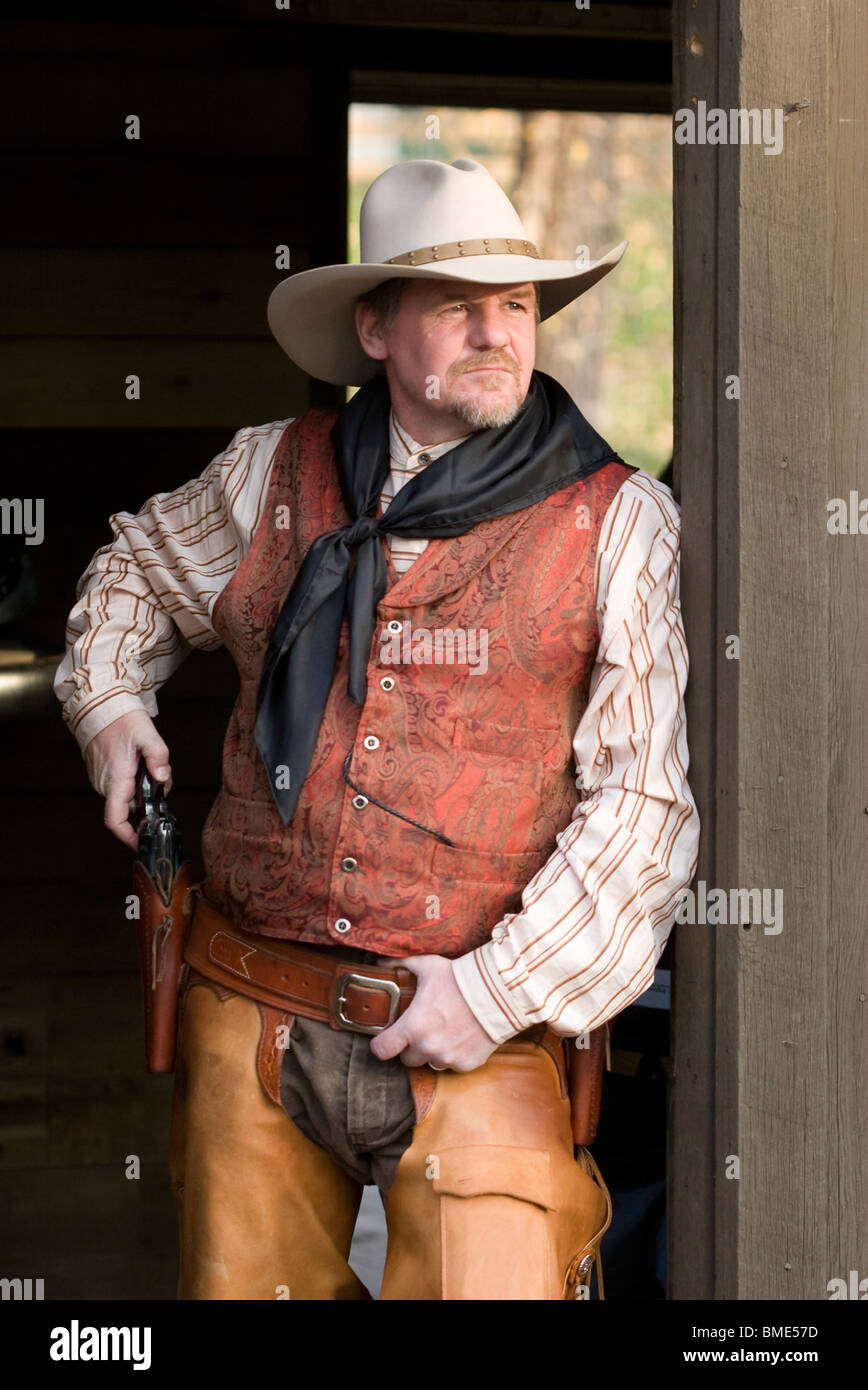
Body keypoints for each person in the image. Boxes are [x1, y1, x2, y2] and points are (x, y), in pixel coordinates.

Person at [54, 157, 700, 1301]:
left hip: (483, 1034)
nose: (497, 333)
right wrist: (108, 705)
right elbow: (133, 576)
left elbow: (641, 802)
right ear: (374, 328)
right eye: (455, 307)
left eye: (514, 307)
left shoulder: (619, 521)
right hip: (249, 1006)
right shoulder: (272, 470)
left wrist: (494, 993)